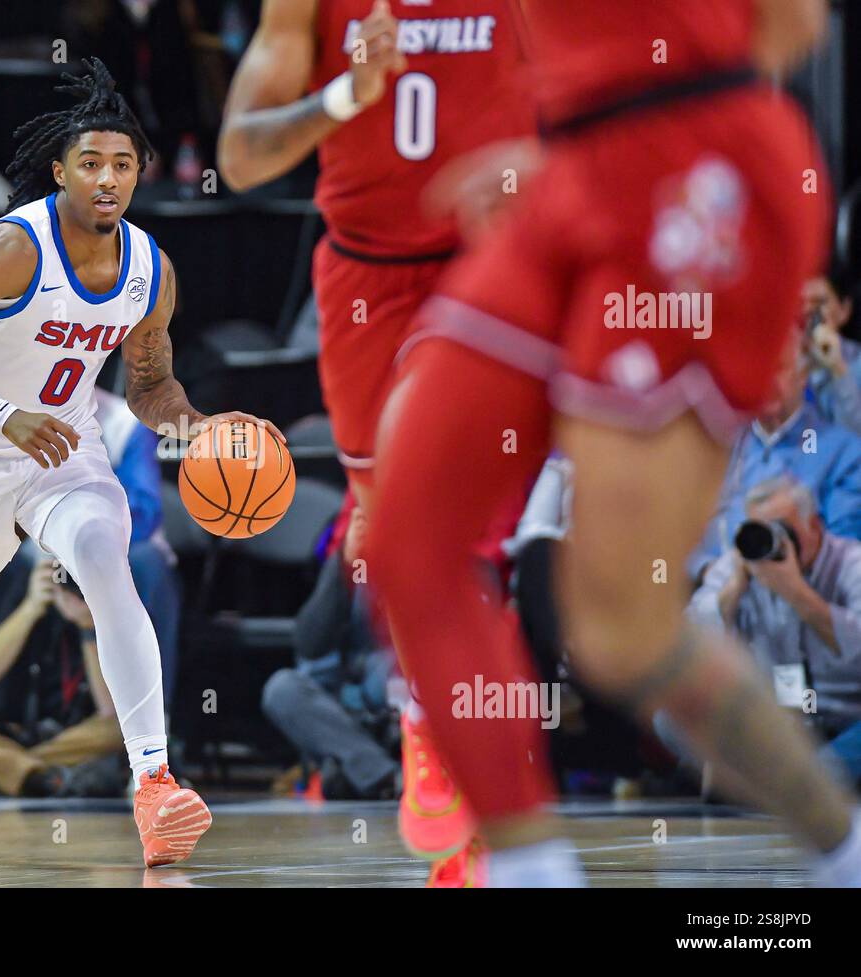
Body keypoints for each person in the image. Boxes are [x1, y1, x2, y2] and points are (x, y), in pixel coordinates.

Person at [368, 0, 861, 887]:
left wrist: (641, 116)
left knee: (621, 635)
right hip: (576, 168)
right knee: (407, 539)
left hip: (696, 169)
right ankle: (532, 871)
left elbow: (795, 27)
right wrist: (577, 129)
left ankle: (844, 853)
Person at [0, 58, 282, 868]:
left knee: (104, 559)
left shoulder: (149, 270)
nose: (107, 178)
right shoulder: (16, 247)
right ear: (60, 171)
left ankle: (155, 781)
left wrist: (194, 427)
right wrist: (3, 416)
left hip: (62, 449)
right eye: (91, 162)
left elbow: (151, 386)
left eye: (123, 165)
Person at [218, 0, 536, 879]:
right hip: (363, 274)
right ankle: (450, 766)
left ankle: (444, 734)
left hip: (485, 263)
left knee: (449, 514)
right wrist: (344, 96)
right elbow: (239, 157)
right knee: (387, 525)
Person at [687, 474, 861, 789]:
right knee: (670, 717)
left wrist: (797, 593)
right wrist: (733, 590)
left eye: (784, 528)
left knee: (823, 773)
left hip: (847, 716)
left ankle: (780, 782)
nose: (775, 540)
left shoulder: (852, 562)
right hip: (775, 721)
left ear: (815, 526)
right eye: (763, 529)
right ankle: (768, 778)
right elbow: (689, 639)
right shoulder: (743, 561)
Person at [0, 558, 125, 798]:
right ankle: (33, 773)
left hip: (67, 739)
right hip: (3, 731)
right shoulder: (19, 581)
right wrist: (30, 608)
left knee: (123, 726)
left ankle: (10, 770)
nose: (70, 584)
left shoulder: (105, 599)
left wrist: (88, 626)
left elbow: (109, 709)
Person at [691, 329, 861, 579]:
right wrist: (707, 571)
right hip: (713, 599)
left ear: (803, 376)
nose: (766, 381)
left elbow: (844, 560)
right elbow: (681, 534)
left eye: (778, 368)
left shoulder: (842, 452)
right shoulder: (719, 445)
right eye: (756, 371)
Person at [261, 506, 400, 802]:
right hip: (350, 710)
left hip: (403, 704)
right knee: (283, 689)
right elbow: (309, 643)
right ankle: (386, 775)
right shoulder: (352, 553)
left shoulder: (438, 552)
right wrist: (345, 564)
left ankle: (357, 771)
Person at [803, 272, 861, 435]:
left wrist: (838, 369)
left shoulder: (857, 364)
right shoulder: (785, 366)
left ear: (844, 310)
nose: (808, 310)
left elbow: (856, 438)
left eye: (820, 302)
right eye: (801, 302)